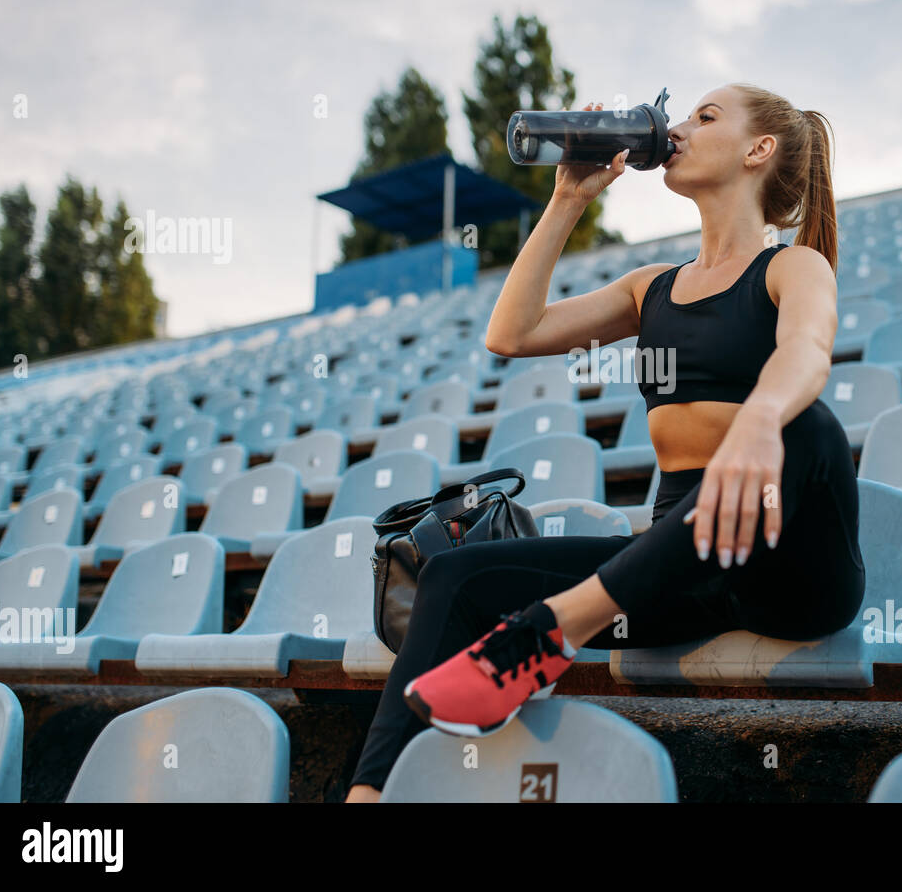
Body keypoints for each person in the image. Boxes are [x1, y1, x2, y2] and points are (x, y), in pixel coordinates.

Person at [345, 83, 865, 801]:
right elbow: (511, 333)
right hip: (678, 567)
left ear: (759, 149)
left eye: (704, 117)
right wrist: (567, 200)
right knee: (451, 578)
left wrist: (756, 419)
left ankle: (553, 629)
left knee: (807, 422)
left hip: (788, 567)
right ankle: (369, 795)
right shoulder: (648, 288)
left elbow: (808, 349)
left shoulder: (789, 267)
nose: (678, 128)